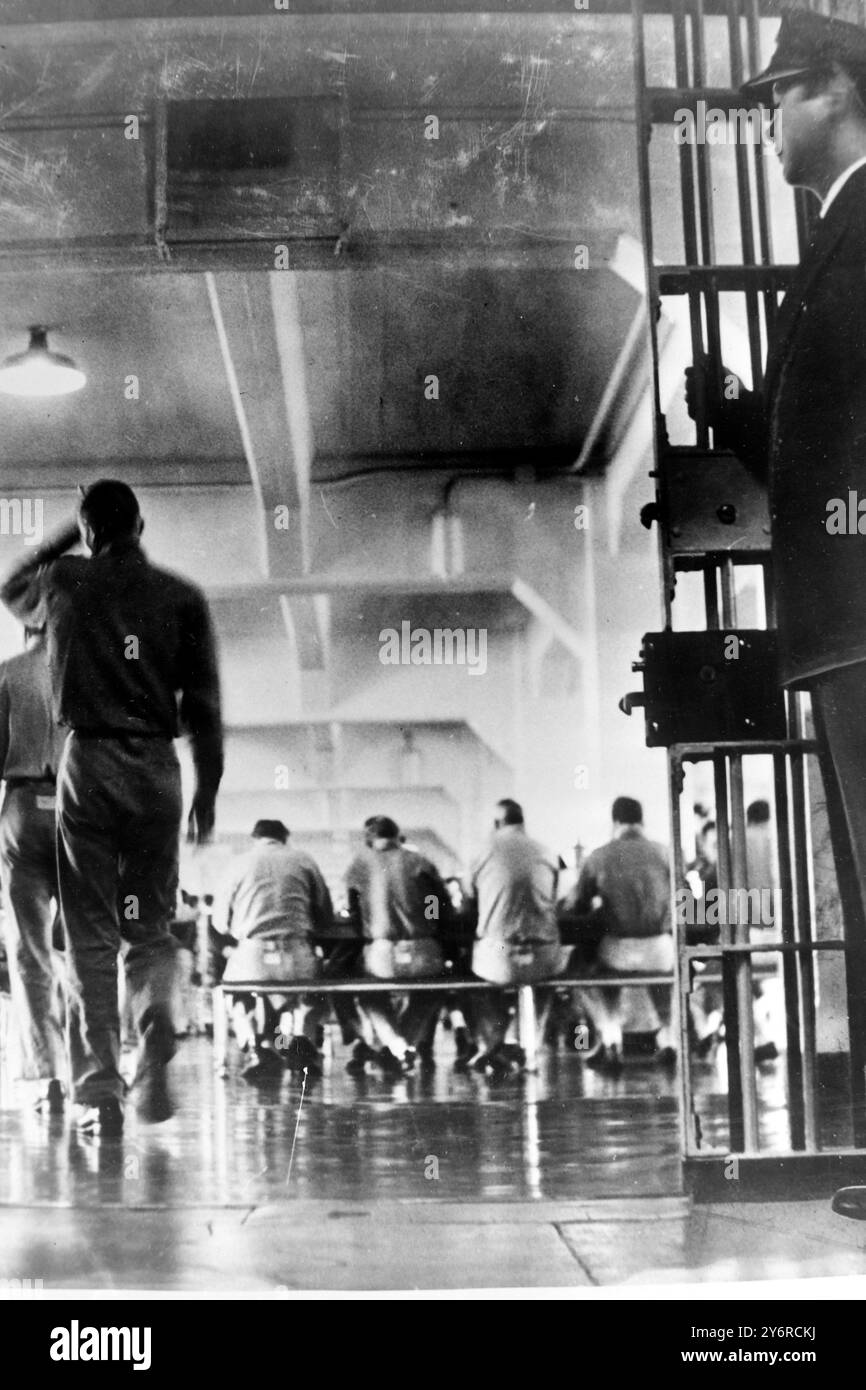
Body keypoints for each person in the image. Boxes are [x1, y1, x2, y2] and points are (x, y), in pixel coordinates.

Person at [0, 480, 223, 1136]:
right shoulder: (180, 596)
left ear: (91, 532)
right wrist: (207, 789)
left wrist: (72, 534)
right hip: (158, 767)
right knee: (148, 928)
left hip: (89, 765)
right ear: (143, 525)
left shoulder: (66, 582)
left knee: (91, 935)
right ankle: (155, 1019)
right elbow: (204, 706)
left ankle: (99, 1091)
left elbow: (11, 584)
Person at [0, 622, 68, 1113]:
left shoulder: (8, 673)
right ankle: (98, 1075)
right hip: (80, 808)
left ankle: (47, 1078)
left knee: (30, 953)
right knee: (91, 948)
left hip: (24, 807)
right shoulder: (92, 671)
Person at [216, 819, 333, 1084]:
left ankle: (256, 1047)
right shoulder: (304, 859)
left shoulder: (237, 863)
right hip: (296, 952)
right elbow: (324, 914)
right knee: (311, 996)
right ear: (285, 837)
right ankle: (302, 1044)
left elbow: (219, 922)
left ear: (254, 838)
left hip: (252, 955)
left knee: (236, 997)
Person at [571, 797, 674, 1074]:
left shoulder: (599, 856)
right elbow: (686, 897)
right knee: (665, 983)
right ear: (642, 822)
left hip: (620, 950)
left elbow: (578, 904)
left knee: (586, 973)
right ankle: (669, 1041)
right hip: (661, 949)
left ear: (615, 822)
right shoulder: (666, 853)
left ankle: (611, 1039)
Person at [344, 814, 450, 1076]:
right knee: (432, 990)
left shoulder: (359, 865)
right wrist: (429, 926)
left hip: (382, 954)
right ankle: (400, 1048)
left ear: (369, 840)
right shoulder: (420, 862)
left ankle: (395, 1045)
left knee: (369, 994)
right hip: (422, 950)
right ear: (398, 836)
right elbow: (438, 907)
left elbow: (355, 914)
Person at [464, 798, 563, 1077]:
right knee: (543, 985)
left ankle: (495, 1041)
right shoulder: (547, 851)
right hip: (543, 955)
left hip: (497, 956)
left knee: (473, 983)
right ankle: (523, 1043)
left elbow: (469, 899)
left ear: (496, 824)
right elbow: (558, 899)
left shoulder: (481, 853)